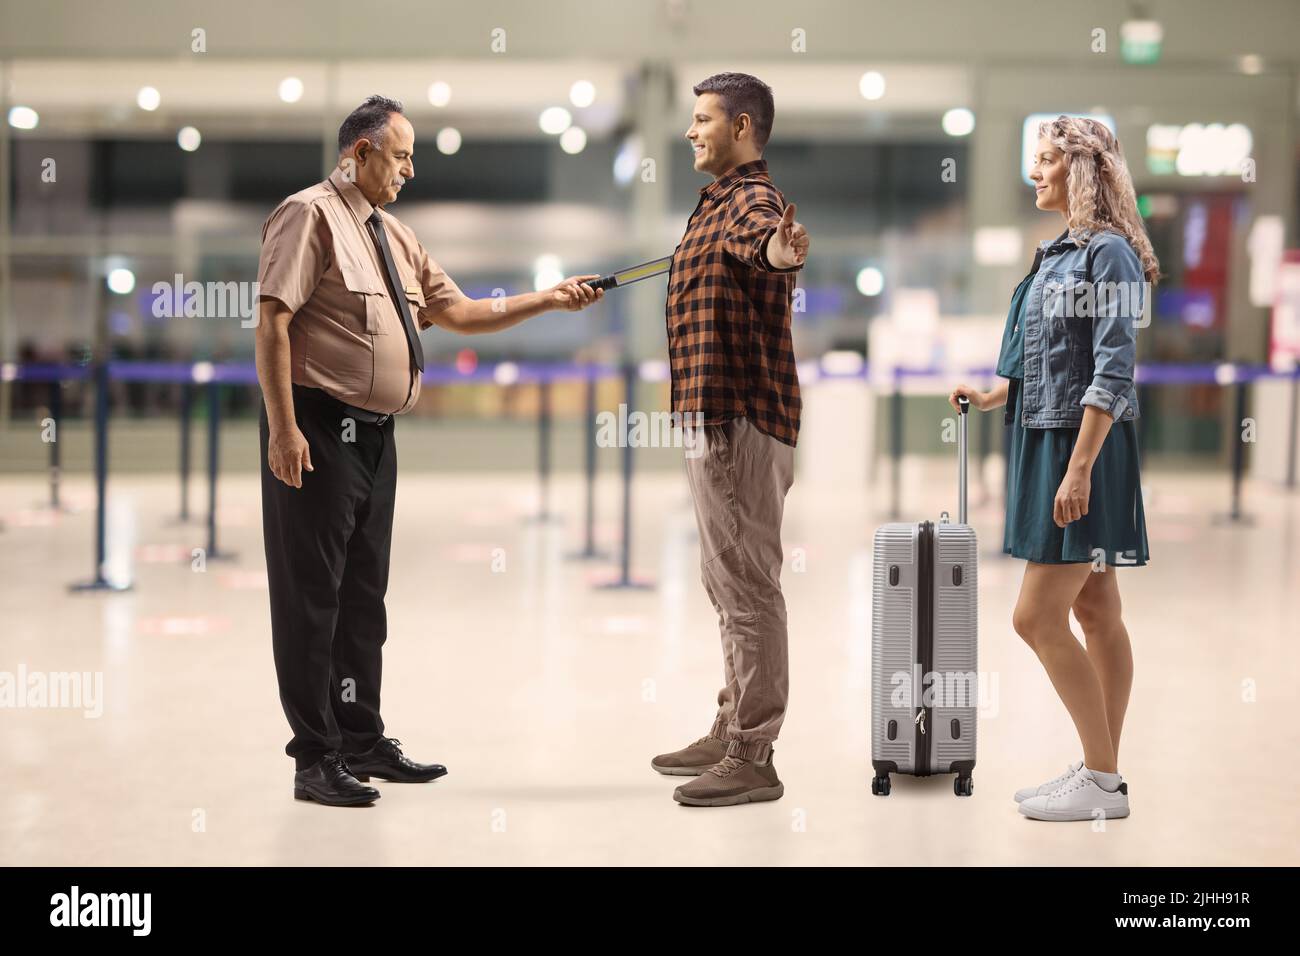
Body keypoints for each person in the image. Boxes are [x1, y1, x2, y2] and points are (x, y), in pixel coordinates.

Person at [254, 95, 602, 806]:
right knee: (311, 599)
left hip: (376, 441)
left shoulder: (397, 236)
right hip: (318, 428)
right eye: (402, 155)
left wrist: (549, 299)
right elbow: (272, 323)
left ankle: (359, 738)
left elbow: (459, 312)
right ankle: (313, 758)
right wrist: (284, 429)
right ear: (360, 153)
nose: (410, 169)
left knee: (362, 598)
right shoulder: (308, 215)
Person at [949, 115, 1157, 822]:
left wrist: (1079, 470)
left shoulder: (1110, 256)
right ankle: (1106, 774)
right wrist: (991, 392)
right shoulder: (1055, 253)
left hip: (1084, 450)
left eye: (1046, 160)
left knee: (1035, 618)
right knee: (1096, 611)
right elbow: (1045, 360)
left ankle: (1100, 777)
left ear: (1084, 169)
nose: (1035, 172)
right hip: (1052, 439)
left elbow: (1112, 369)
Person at [649, 73, 810, 807]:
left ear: (742, 126)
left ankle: (754, 753)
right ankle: (733, 724)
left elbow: (767, 249)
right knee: (726, 583)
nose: (691, 131)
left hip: (738, 421)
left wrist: (782, 252)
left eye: (703, 118)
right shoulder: (713, 206)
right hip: (715, 422)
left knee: (746, 586)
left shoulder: (750, 203)